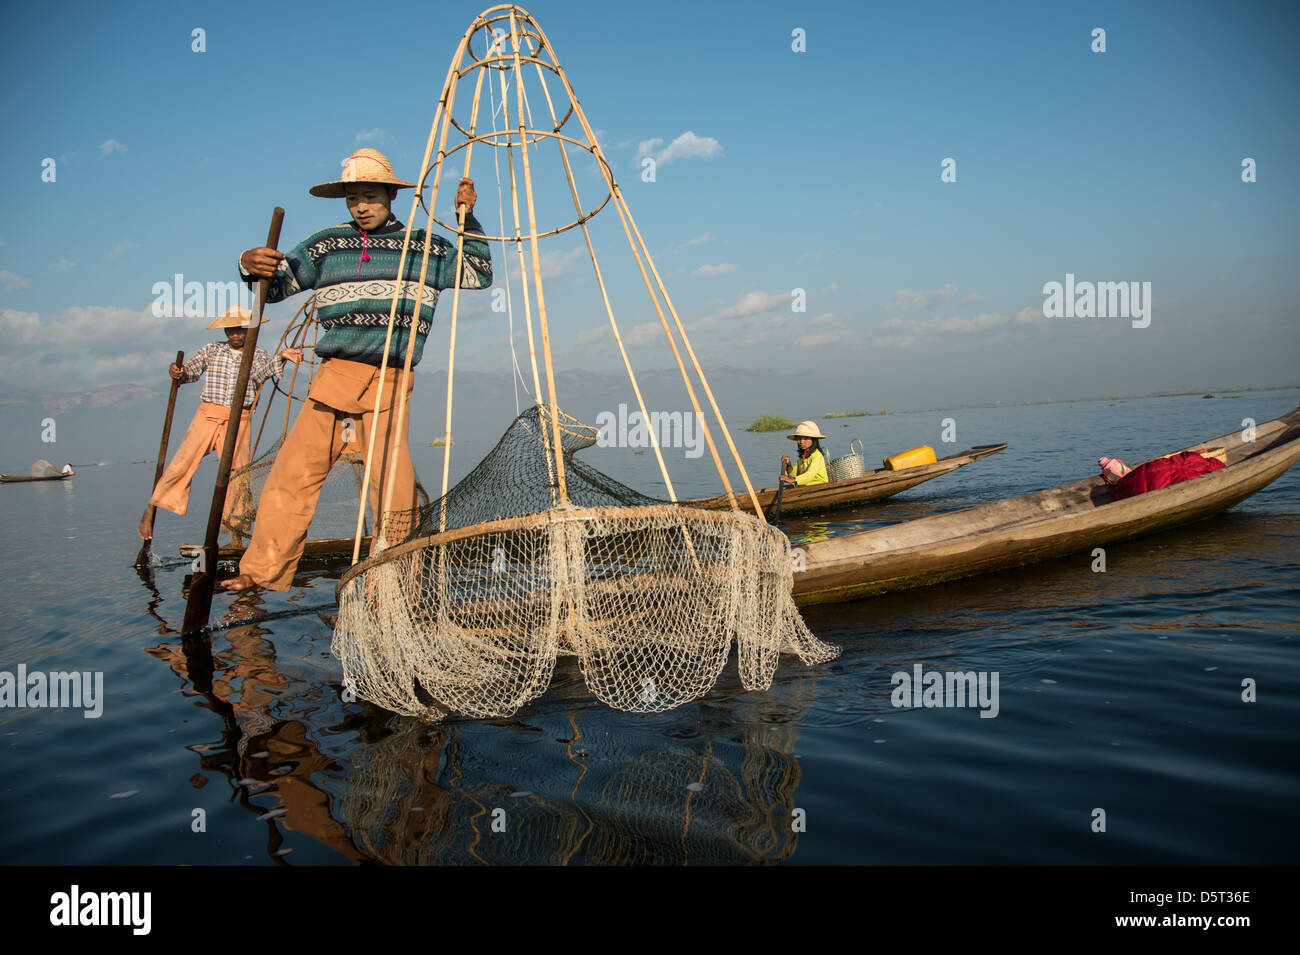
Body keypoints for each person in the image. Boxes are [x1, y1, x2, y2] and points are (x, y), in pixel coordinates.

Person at [222, 147, 492, 592]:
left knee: (394, 494)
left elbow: (478, 274)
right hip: (334, 378)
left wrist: (466, 220)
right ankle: (259, 574)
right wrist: (250, 265)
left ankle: (398, 585)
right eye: (352, 199)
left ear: (390, 195)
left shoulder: (423, 247)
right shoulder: (326, 245)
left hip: (389, 380)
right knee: (291, 479)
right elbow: (272, 288)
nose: (361, 207)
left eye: (370, 196)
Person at [138, 306, 301, 540]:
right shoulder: (212, 350)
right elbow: (190, 372)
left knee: (238, 473)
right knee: (182, 462)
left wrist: (282, 357)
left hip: (239, 418)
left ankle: (236, 533)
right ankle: (152, 507)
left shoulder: (257, 354)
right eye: (231, 330)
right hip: (208, 414)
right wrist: (177, 372)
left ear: (248, 330)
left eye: (240, 330)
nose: (235, 335)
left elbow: (262, 373)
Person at [780, 420, 829, 486]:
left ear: (813, 439)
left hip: (819, 486)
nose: (801, 442)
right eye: (799, 438)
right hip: (804, 487)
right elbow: (794, 475)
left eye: (806, 438)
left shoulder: (817, 455)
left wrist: (792, 480)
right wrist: (789, 465)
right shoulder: (802, 457)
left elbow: (810, 474)